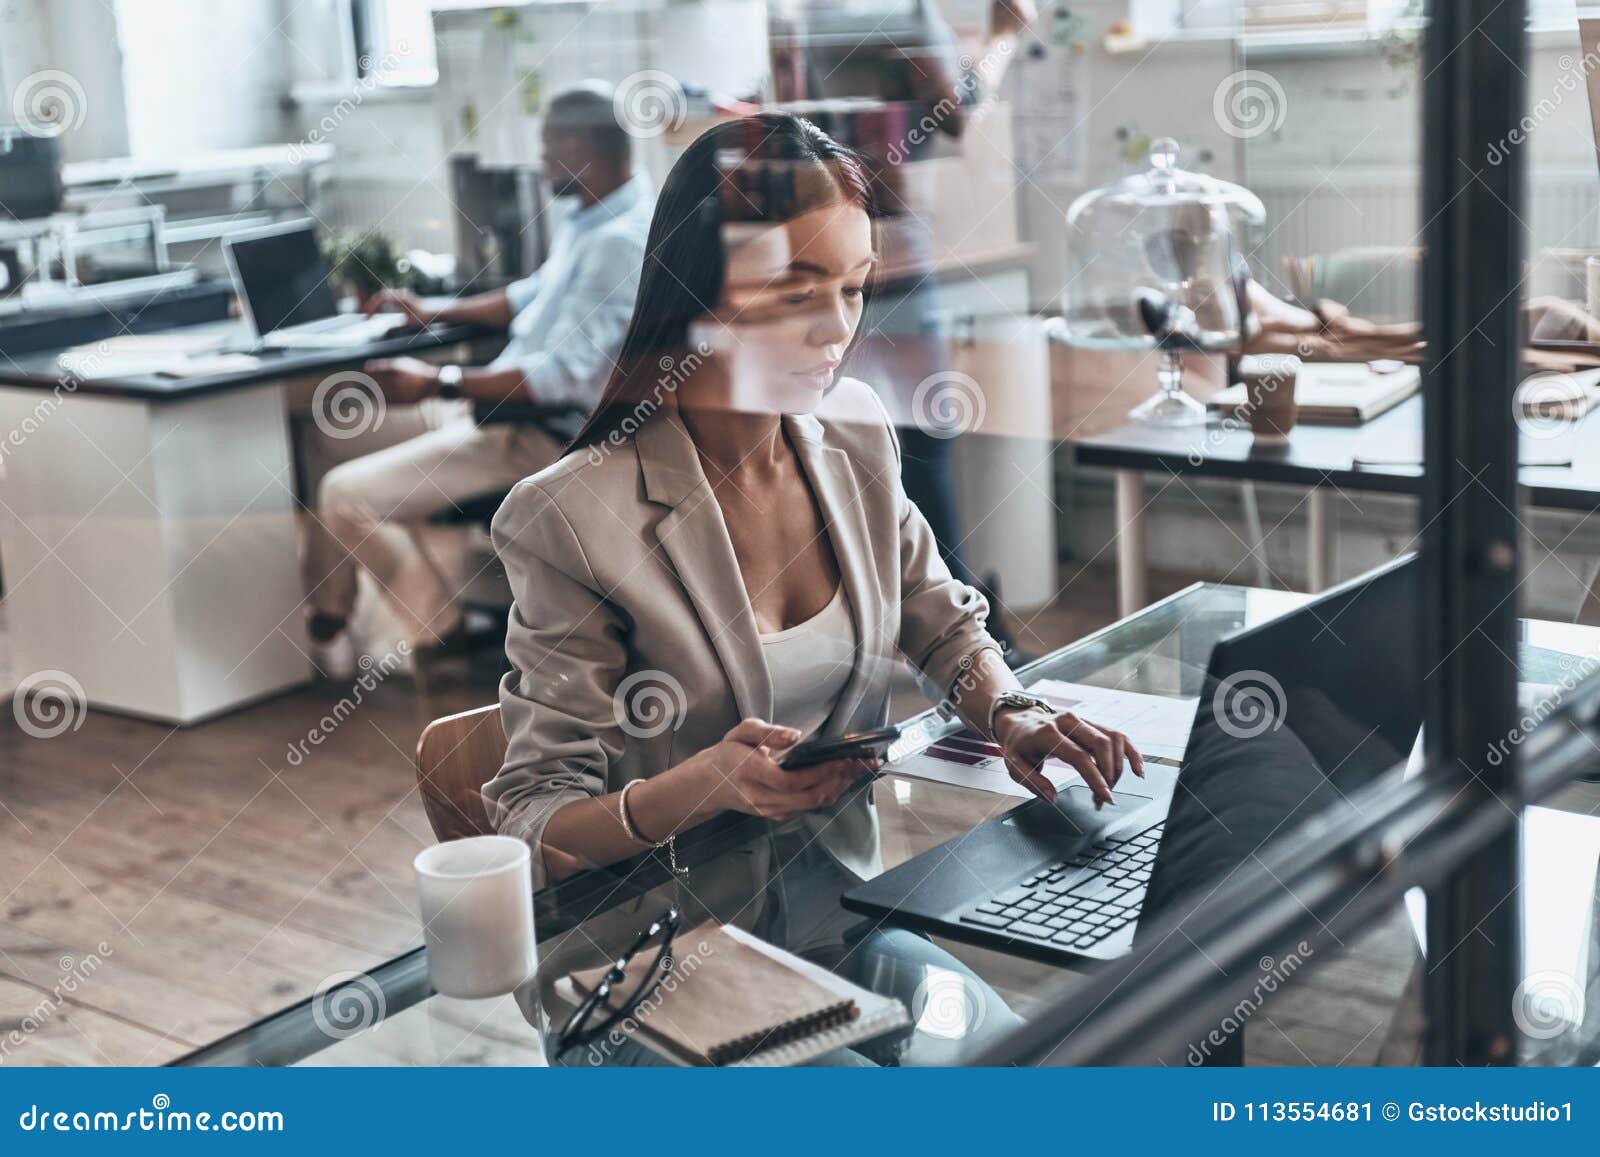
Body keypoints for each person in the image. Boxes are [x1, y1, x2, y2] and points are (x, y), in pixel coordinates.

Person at [483, 115, 1142, 1065]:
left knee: (1031, 1067)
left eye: (854, 287)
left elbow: (939, 618)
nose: (838, 329)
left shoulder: (856, 427)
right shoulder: (569, 516)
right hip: (650, 971)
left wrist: (1013, 711)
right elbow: (532, 824)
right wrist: (704, 784)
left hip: (838, 927)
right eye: (796, 291)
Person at [304, 81, 654, 676]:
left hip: (538, 437)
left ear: (581, 148)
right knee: (328, 429)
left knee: (342, 493)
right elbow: (529, 298)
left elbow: (562, 379)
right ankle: (374, 603)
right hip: (497, 409)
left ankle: (438, 624)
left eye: (548, 148)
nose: (541, 161)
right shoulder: (597, 218)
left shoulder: (619, 245)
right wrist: (431, 311)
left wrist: (436, 381)